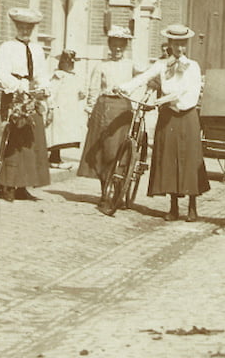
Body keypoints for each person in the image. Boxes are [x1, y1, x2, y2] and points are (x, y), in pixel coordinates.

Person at [117, 24, 209, 222]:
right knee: (169, 159)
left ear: (186, 45)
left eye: (182, 44)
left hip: (187, 116)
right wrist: (125, 87)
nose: (179, 48)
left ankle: (193, 206)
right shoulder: (161, 65)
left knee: (190, 160)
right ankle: (173, 206)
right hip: (168, 118)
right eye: (175, 44)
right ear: (170, 44)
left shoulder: (193, 66)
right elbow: (144, 77)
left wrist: (165, 99)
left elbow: (187, 91)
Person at [0, 7, 51, 200]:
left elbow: (41, 73)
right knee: (14, 140)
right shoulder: (7, 47)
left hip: (32, 95)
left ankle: (22, 185)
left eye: (29, 28)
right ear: (16, 27)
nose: (25, 31)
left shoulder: (37, 49)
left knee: (31, 140)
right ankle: (7, 185)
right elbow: (1, 71)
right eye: (22, 27)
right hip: (15, 94)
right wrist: (16, 86)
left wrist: (44, 88)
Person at [78, 26, 139, 214]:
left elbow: (146, 79)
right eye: (114, 46)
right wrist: (90, 110)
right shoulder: (101, 66)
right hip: (103, 109)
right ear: (109, 46)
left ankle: (119, 191)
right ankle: (104, 193)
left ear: (126, 47)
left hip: (123, 111)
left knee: (119, 152)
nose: (117, 49)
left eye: (121, 46)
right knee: (104, 152)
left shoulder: (131, 66)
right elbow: (93, 90)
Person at [44, 48, 84, 168]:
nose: (69, 65)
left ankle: (56, 156)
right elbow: (52, 91)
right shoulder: (59, 75)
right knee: (56, 133)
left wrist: (80, 94)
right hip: (59, 108)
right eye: (66, 63)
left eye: (71, 63)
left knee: (64, 134)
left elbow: (75, 89)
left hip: (69, 109)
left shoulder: (73, 76)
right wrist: (51, 107)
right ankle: (54, 156)